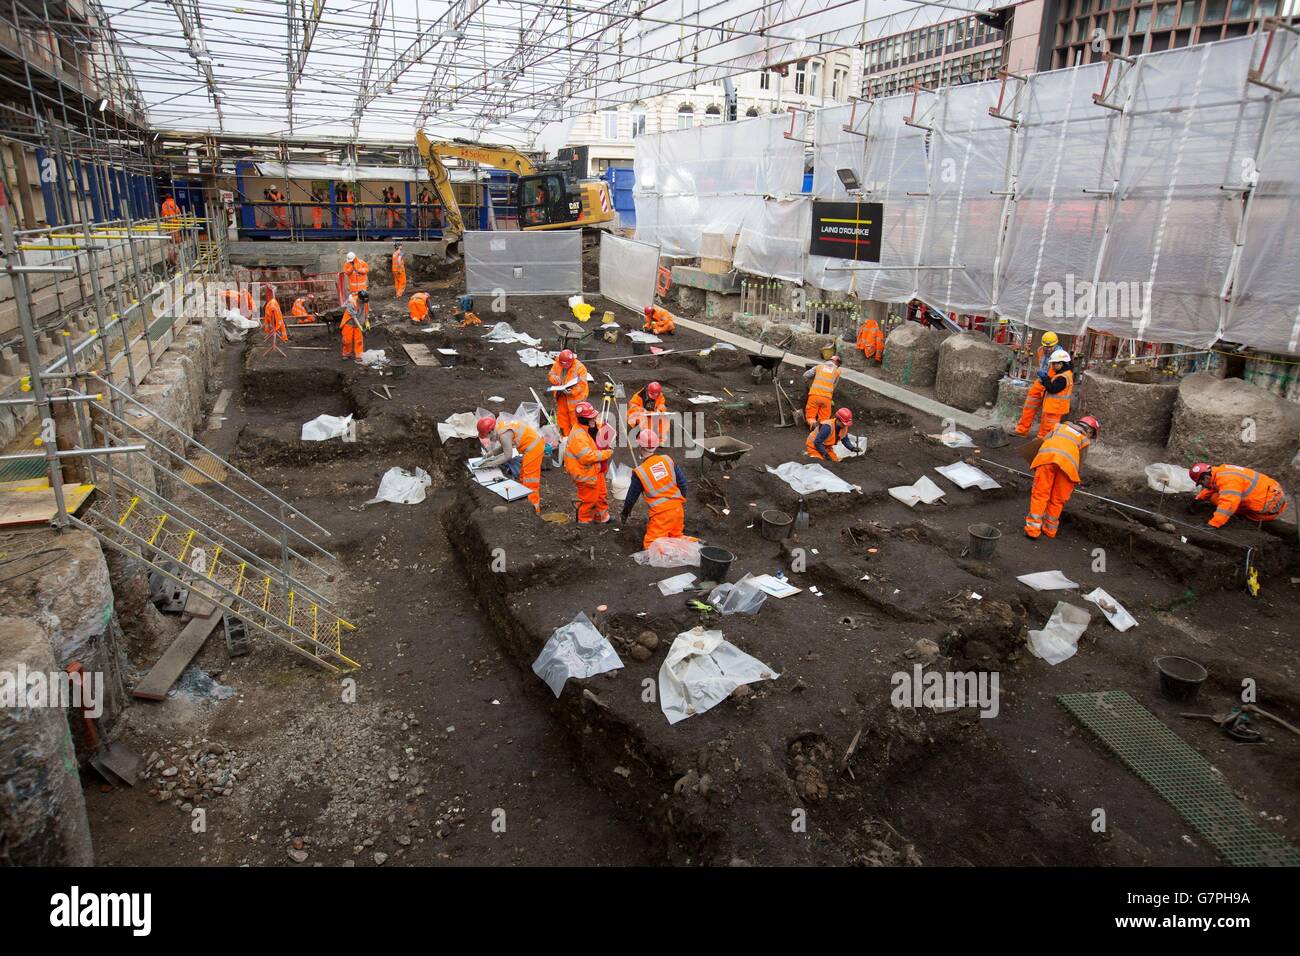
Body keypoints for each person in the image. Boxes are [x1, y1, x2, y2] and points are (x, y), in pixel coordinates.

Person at [1025, 416, 1099, 540]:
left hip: (1047, 460)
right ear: (1090, 431)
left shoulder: (1059, 427)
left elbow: (1042, 442)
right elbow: (1080, 462)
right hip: (1067, 469)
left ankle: (1033, 529)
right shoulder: (1084, 440)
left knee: (1040, 494)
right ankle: (1049, 530)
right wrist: (1076, 478)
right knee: (1057, 499)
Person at [622, 429, 689, 548]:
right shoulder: (667, 460)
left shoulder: (640, 472)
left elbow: (631, 497)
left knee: (650, 547)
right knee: (676, 538)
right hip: (678, 510)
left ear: (640, 445)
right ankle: (693, 545)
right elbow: (683, 484)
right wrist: (677, 502)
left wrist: (625, 513)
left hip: (661, 515)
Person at [1187, 462, 1289, 530]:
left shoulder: (1228, 480)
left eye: (1201, 483)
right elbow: (1214, 486)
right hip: (1272, 493)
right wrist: (1198, 499)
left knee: (1217, 500)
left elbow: (1229, 503)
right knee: (1215, 496)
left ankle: (1252, 515)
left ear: (1205, 477)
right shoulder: (1219, 472)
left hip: (1269, 506)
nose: (1202, 486)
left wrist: (1213, 524)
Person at [477, 415, 544, 514]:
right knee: (523, 476)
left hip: (534, 448)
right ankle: (525, 501)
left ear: (491, 431)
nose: (488, 439)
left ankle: (534, 510)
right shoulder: (501, 428)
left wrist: (491, 464)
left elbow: (508, 455)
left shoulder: (503, 435)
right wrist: (491, 454)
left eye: (487, 436)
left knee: (530, 480)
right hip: (532, 446)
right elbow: (504, 446)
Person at [563, 401, 612, 523]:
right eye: (592, 417)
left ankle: (602, 517)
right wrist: (607, 453)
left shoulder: (588, 427)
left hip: (595, 470)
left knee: (601, 495)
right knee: (588, 500)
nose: (594, 419)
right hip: (585, 475)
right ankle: (583, 523)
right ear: (584, 419)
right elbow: (586, 457)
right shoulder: (578, 436)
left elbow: (599, 425)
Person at [1013, 331, 1061, 437]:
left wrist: (1048, 379)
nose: (1047, 349)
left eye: (1050, 347)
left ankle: (1043, 437)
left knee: (1047, 413)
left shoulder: (1060, 355)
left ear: (1055, 345)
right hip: (1040, 382)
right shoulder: (1040, 350)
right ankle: (1021, 430)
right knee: (1029, 404)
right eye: (1045, 347)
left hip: (1051, 384)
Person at [1032, 348, 1074, 439]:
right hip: (1053, 408)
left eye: (1054, 364)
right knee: (1044, 427)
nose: (1052, 366)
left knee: (1049, 430)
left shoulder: (1063, 377)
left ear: (1061, 364)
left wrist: (1045, 378)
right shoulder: (1064, 374)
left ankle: (1045, 444)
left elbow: (1052, 388)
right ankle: (1039, 441)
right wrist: (1046, 378)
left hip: (1055, 409)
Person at [548, 348, 589, 435]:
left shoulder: (580, 368)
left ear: (571, 362)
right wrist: (554, 379)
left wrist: (572, 391)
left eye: (566, 365)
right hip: (562, 396)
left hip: (575, 400)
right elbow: (551, 374)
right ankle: (565, 438)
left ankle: (577, 439)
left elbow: (582, 385)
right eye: (562, 364)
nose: (563, 367)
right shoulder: (558, 363)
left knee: (576, 422)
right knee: (562, 419)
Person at [626, 381, 671, 445]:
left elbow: (662, 405)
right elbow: (633, 407)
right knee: (646, 420)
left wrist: (660, 410)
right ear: (647, 391)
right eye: (652, 395)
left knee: (664, 419)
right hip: (639, 416)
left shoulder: (660, 396)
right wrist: (642, 410)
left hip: (653, 415)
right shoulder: (638, 396)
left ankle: (660, 440)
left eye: (656, 395)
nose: (654, 397)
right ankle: (645, 439)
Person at [802, 354, 842, 427]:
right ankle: (822, 428)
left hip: (814, 395)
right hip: (827, 398)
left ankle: (813, 425)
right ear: (837, 363)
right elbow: (834, 386)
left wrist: (814, 378)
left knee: (811, 416)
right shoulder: (837, 372)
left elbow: (805, 375)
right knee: (824, 419)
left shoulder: (819, 367)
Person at [343, 252, 370, 327]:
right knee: (354, 304)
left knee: (365, 304)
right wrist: (351, 268)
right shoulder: (347, 264)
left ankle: (366, 318)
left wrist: (359, 270)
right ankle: (356, 318)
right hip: (354, 290)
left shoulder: (362, 262)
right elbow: (346, 272)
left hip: (362, 289)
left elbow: (367, 270)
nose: (351, 261)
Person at [340, 291, 366, 363]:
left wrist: (366, 322)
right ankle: (346, 354)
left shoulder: (364, 301)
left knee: (359, 341)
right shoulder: (351, 303)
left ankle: (359, 355)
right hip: (349, 323)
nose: (364, 303)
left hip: (358, 323)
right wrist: (361, 328)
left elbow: (364, 312)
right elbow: (354, 317)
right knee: (347, 340)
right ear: (359, 298)